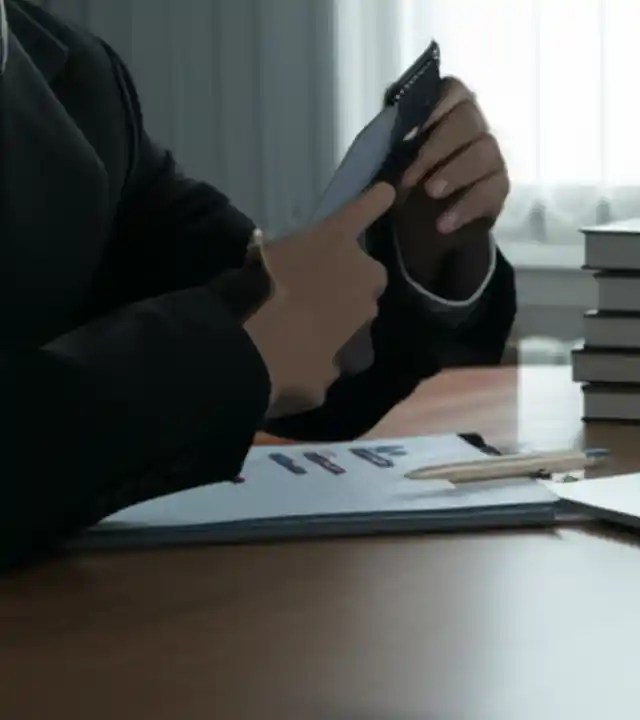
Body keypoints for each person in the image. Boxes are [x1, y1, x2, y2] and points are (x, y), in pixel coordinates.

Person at [0, 0, 516, 570]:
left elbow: (285, 342)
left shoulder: (76, 77)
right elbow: (243, 345)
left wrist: (425, 244)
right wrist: (232, 357)